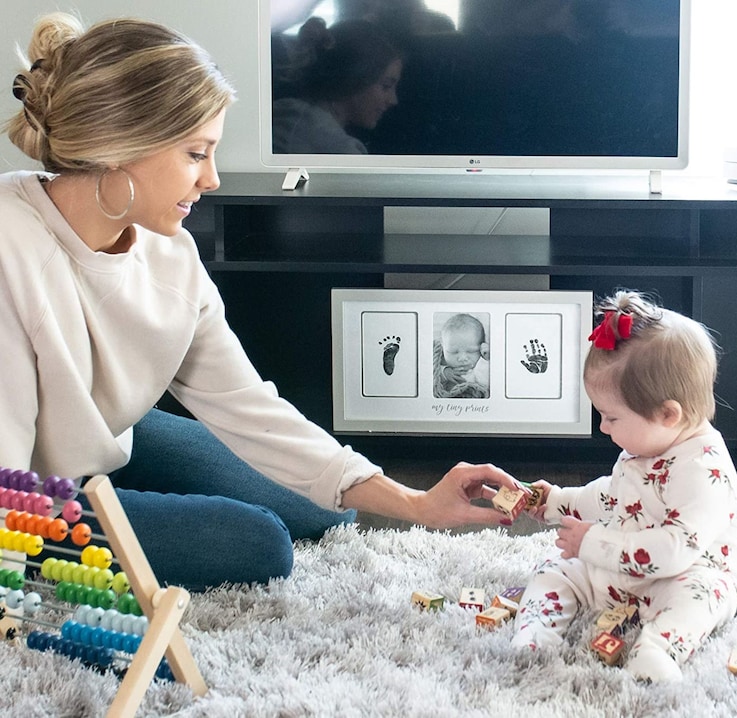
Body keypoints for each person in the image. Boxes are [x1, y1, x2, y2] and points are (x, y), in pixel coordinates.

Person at [1, 12, 524, 591]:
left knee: (327, 507)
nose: (214, 180)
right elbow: (6, 479)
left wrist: (415, 503)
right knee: (256, 543)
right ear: (123, 147)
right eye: (196, 154)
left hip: (96, 432)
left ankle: (113, 491)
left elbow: (247, 407)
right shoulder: (10, 250)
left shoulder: (168, 254)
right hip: (16, 490)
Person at [511, 291, 737, 683]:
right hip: (622, 563)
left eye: (611, 417)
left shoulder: (705, 471)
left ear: (668, 414)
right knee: (554, 569)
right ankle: (537, 631)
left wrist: (594, 543)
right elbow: (612, 496)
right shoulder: (647, 443)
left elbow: (673, 552)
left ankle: (656, 651)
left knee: (705, 597)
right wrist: (557, 501)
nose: (603, 428)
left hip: (680, 574)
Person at [271, 17, 402, 154]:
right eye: (386, 86)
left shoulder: (284, 112)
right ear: (354, 77)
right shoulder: (341, 151)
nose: (393, 100)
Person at [433, 313, 490, 399]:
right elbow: (431, 376)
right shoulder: (443, 363)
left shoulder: (481, 365)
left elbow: (487, 382)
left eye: (471, 351)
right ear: (443, 346)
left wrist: (486, 360)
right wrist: (444, 373)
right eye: (453, 352)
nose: (462, 358)